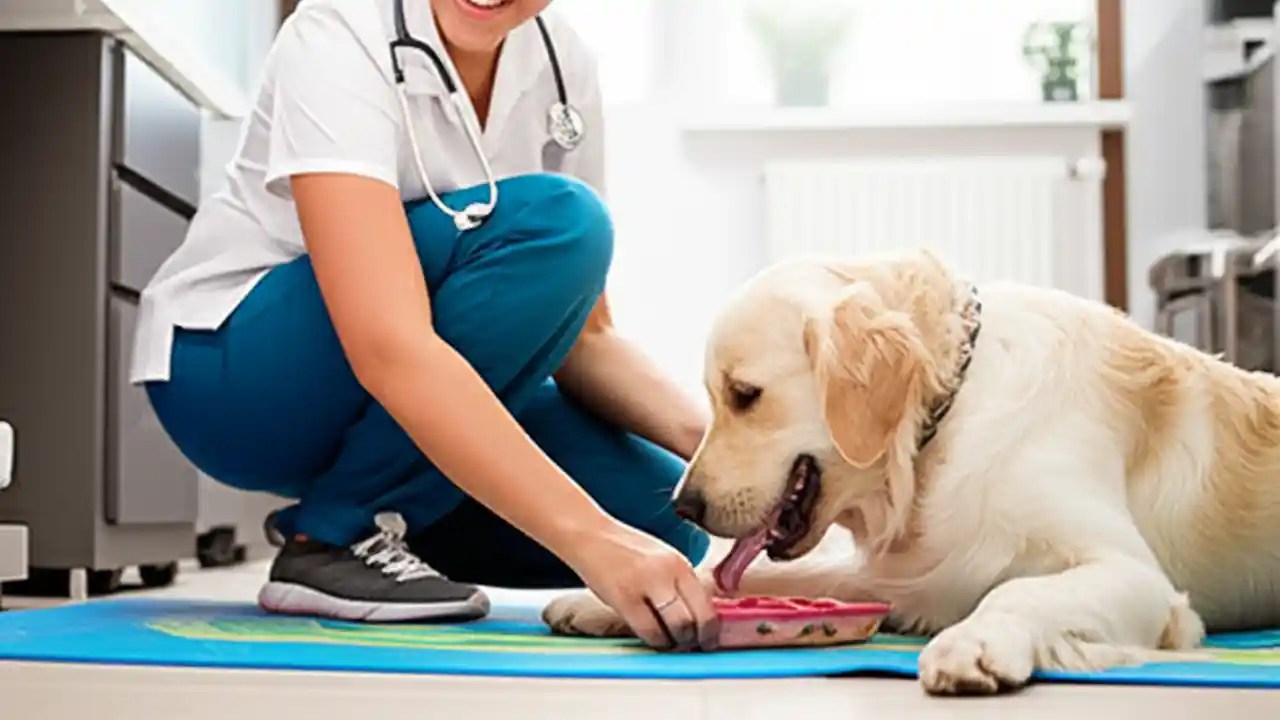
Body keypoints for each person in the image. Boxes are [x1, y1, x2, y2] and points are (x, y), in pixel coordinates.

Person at [131, 0, 717, 651]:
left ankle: (385, 532)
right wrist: (587, 537)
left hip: (384, 395)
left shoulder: (563, 62)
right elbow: (388, 344)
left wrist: (723, 451)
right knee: (563, 224)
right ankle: (328, 537)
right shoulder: (341, 28)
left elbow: (587, 338)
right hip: (235, 374)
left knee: (669, 515)